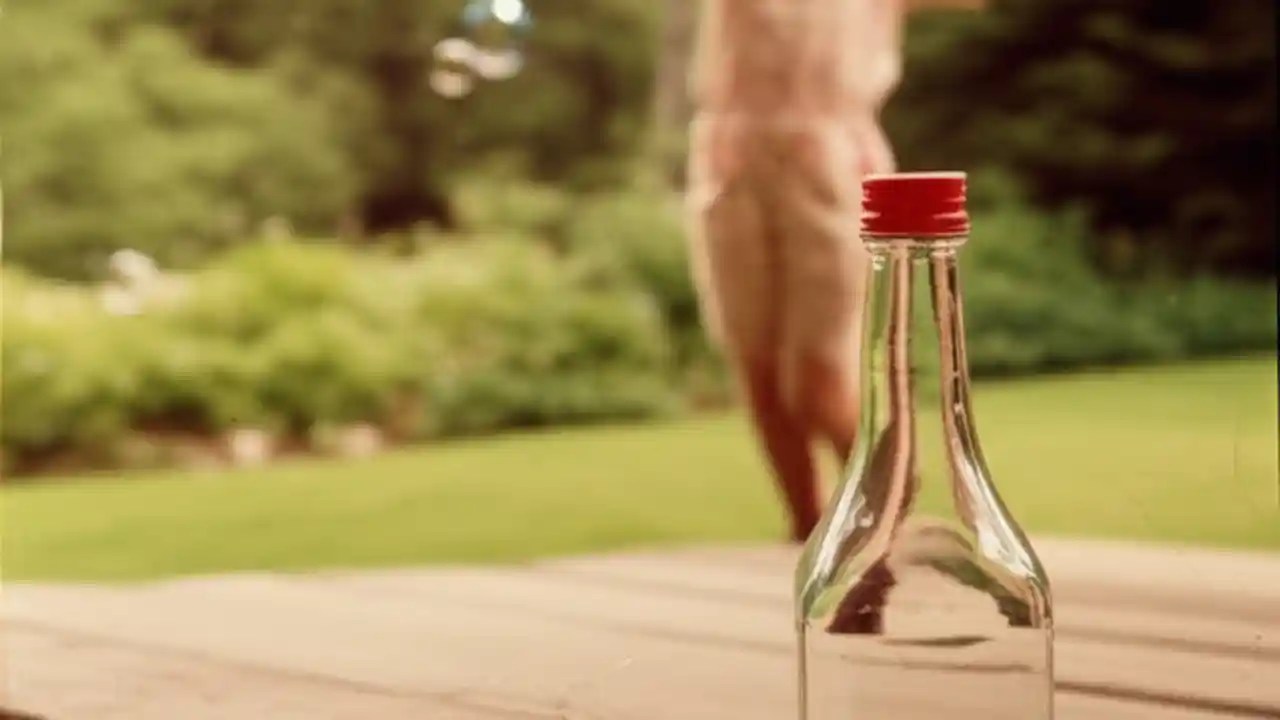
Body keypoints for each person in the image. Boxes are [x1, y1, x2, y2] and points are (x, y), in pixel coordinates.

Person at [686, 0, 975, 541]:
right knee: (758, 367)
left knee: (815, 379)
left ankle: (891, 514)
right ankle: (805, 528)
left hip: (831, 164)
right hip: (732, 163)